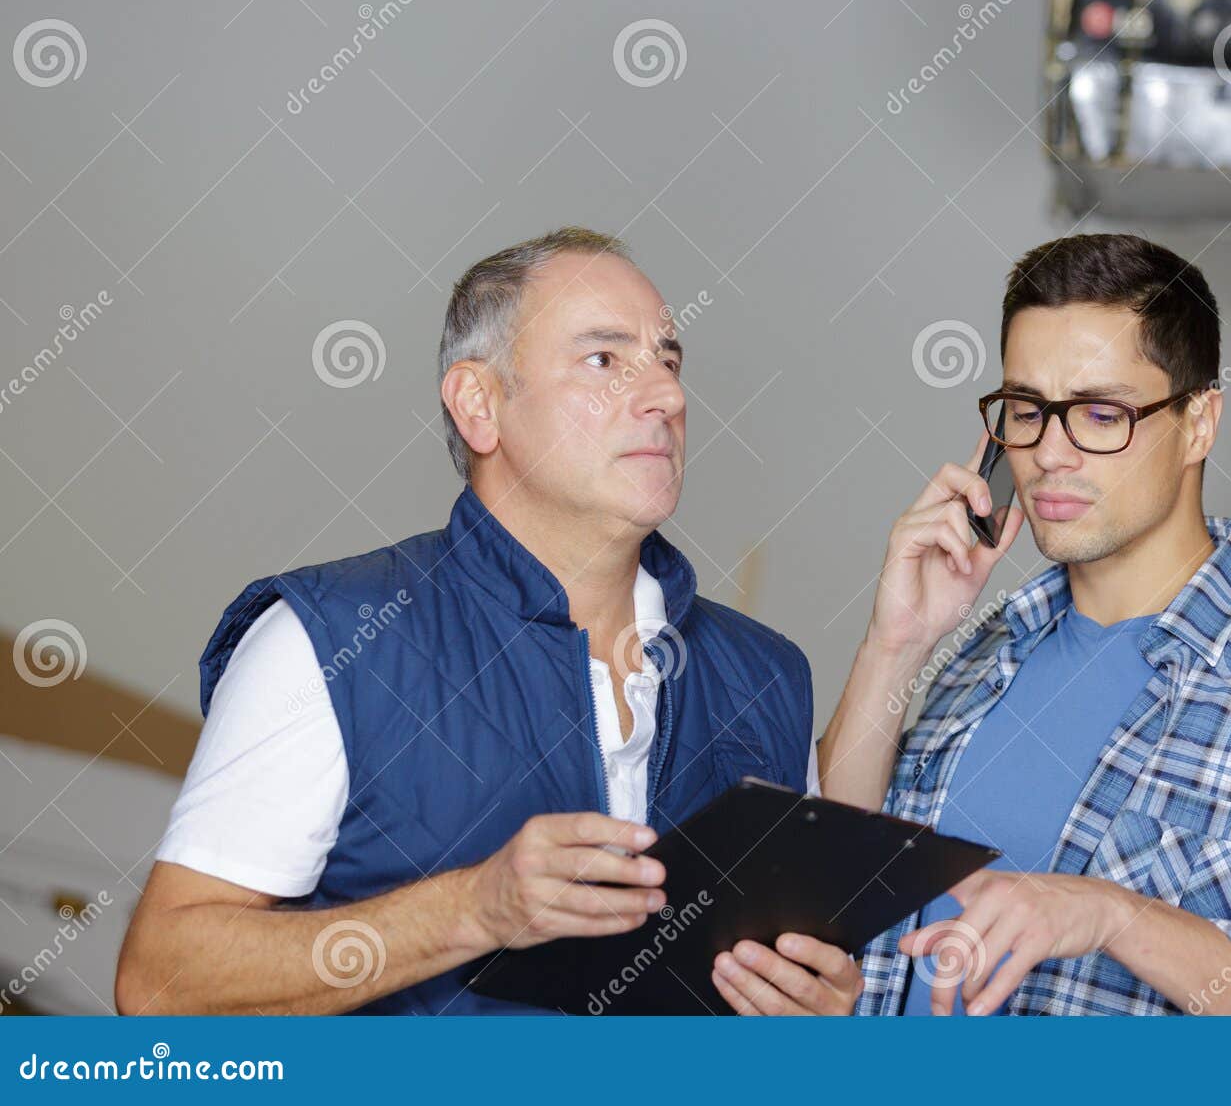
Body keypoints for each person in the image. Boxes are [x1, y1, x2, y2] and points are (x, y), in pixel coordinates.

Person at [116, 228, 861, 1016]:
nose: (668, 397)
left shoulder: (769, 678)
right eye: (605, 360)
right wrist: (474, 909)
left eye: (668, 361)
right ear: (479, 404)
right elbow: (160, 983)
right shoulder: (329, 641)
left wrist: (813, 1023)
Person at [819, 233, 1231, 1016]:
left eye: (1100, 413)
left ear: (1199, 423)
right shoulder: (984, 653)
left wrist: (1110, 913)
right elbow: (835, 863)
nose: (1049, 453)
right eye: (1027, 411)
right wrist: (897, 643)